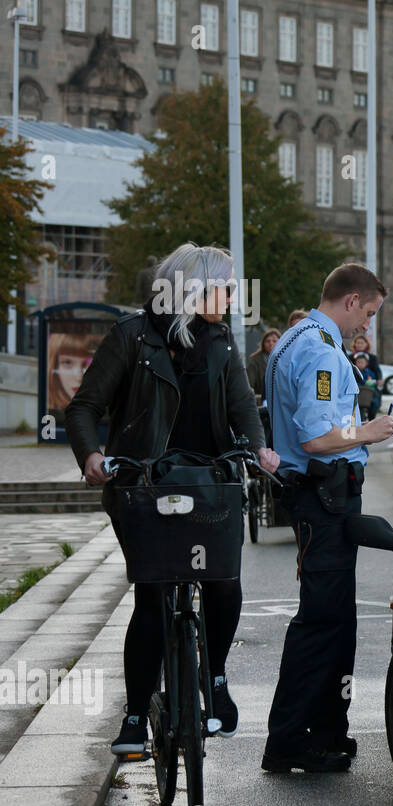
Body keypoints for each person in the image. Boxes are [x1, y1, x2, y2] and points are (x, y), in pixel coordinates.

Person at [65, 242, 280, 756]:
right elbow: (83, 408)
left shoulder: (222, 342)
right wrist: (92, 457)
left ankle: (218, 675)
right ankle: (137, 714)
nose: (231, 294)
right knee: (153, 596)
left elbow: (242, 407)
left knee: (224, 583)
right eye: (224, 285)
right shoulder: (131, 337)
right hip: (145, 485)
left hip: (210, 484)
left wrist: (258, 449)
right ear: (193, 289)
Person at [262, 264, 393, 773]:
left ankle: (323, 731)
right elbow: (317, 440)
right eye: (367, 314)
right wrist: (369, 430)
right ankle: (293, 740)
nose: (367, 326)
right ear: (349, 301)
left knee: (332, 620)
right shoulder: (320, 350)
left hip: (316, 497)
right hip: (324, 495)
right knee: (323, 623)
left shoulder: (296, 338)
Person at [246, 327, 280, 401]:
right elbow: (249, 384)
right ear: (263, 343)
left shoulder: (285, 359)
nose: (271, 343)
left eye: (274, 341)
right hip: (261, 399)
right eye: (268, 341)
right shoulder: (254, 360)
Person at [353, 352, 381, 421]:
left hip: (369, 392)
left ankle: (372, 416)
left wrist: (372, 381)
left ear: (366, 363)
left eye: (362, 362)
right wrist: (365, 382)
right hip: (359, 392)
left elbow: (373, 381)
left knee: (375, 403)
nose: (360, 364)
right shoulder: (354, 371)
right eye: (358, 362)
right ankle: (362, 419)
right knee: (360, 407)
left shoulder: (369, 372)